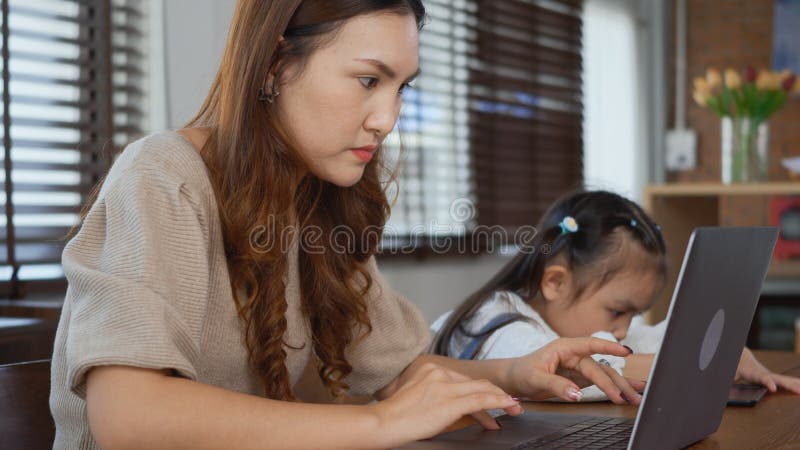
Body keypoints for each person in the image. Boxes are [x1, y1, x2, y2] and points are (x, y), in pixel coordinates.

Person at [49, 2, 645, 448]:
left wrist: (516, 372)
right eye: (368, 80)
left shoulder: (317, 196)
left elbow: (395, 374)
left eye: (400, 88)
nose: (387, 119)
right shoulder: (164, 175)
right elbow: (127, 416)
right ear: (277, 64)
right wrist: (379, 424)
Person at [431, 190, 800, 402]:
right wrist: (708, 363)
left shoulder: (574, 317)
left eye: (633, 314)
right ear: (555, 283)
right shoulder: (499, 326)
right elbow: (569, 375)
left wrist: (731, 352)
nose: (622, 329)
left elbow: (639, 341)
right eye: (617, 312)